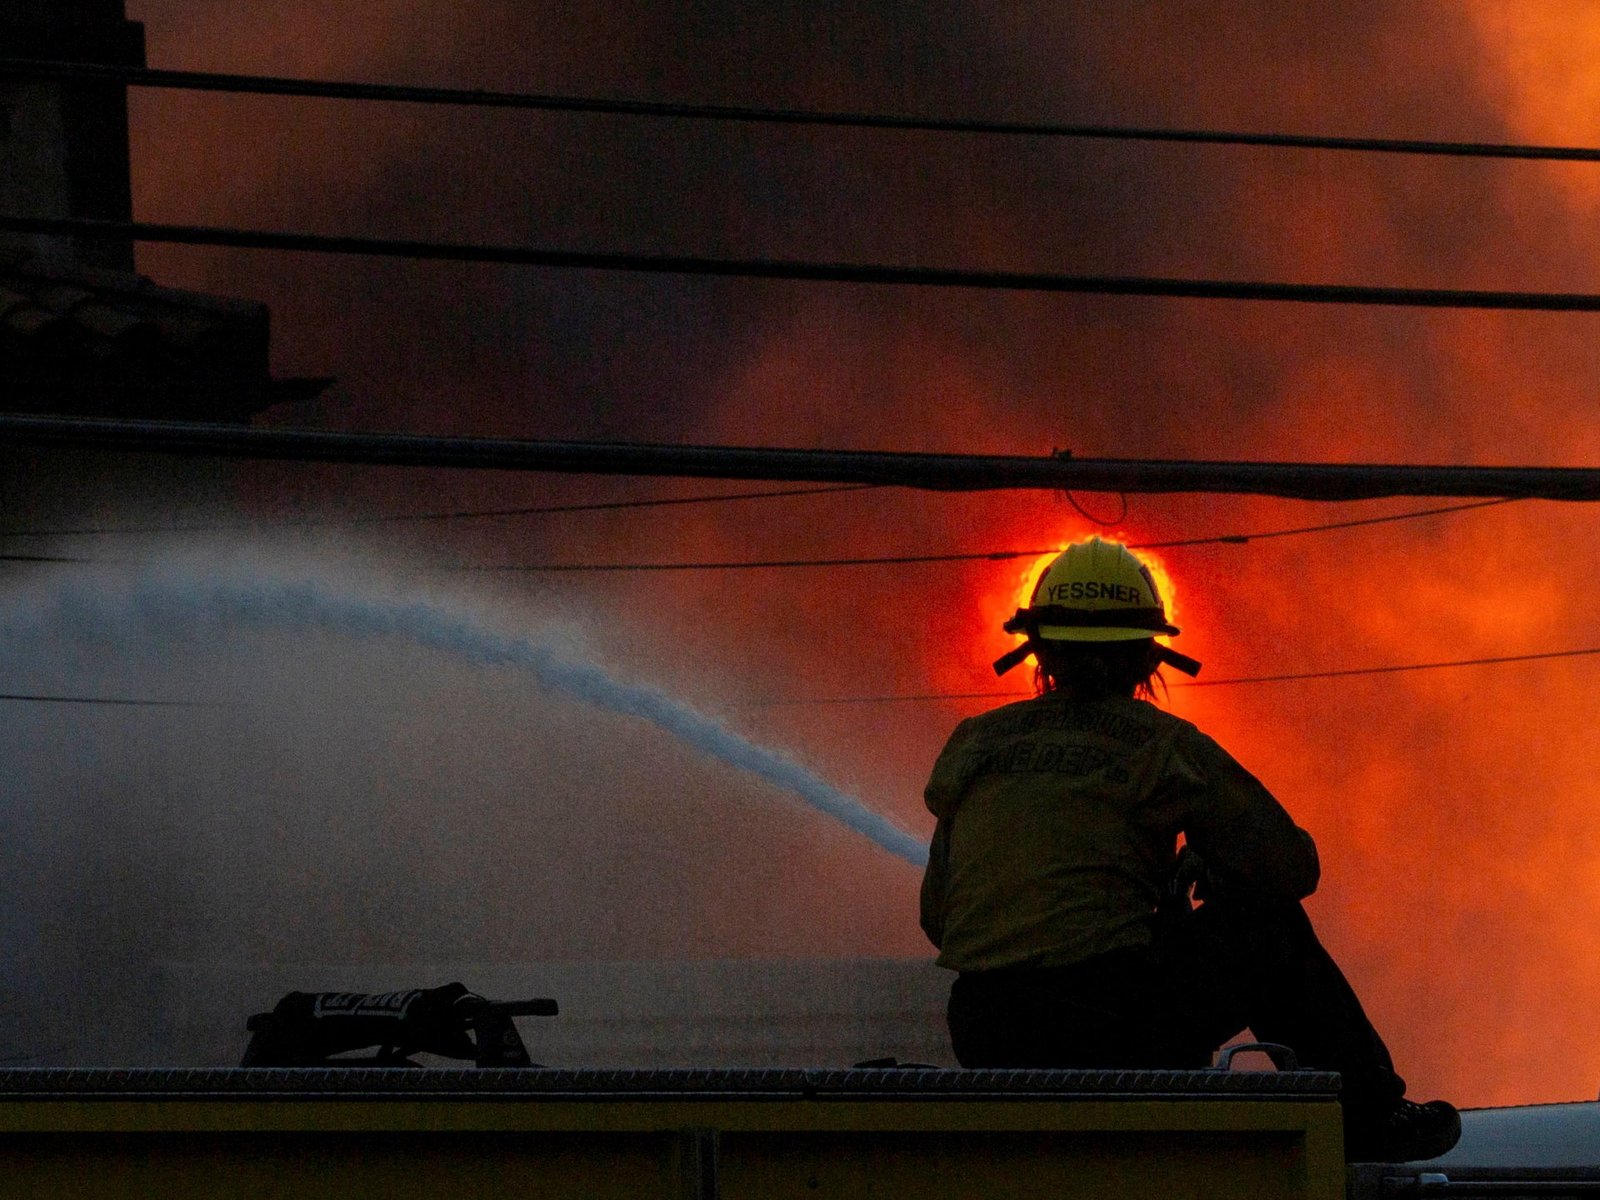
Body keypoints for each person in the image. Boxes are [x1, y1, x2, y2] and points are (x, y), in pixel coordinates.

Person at [919, 536, 1460, 1162]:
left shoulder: (974, 744)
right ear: (1150, 652)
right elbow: (1291, 867)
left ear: (1036, 647)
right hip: (1111, 1029)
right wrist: (1220, 863)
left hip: (987, 1032)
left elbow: (939, 920)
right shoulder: (1164, 746)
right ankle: (1370, 1115)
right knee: (1267, 926)